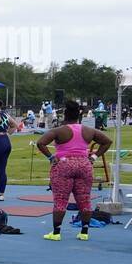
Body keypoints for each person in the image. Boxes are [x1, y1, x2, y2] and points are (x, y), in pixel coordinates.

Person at [35, 102, 111, 241]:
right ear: (79, 115)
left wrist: (51, 157)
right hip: (84, 164)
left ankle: (56, 233)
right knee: (84, 199)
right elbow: (107, 141)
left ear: (65, 114)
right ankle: (84, 232)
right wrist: (94, 156)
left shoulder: (59, 130)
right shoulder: (88, 130)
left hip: (64, 165)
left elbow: (41, 143)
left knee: (60, 200)